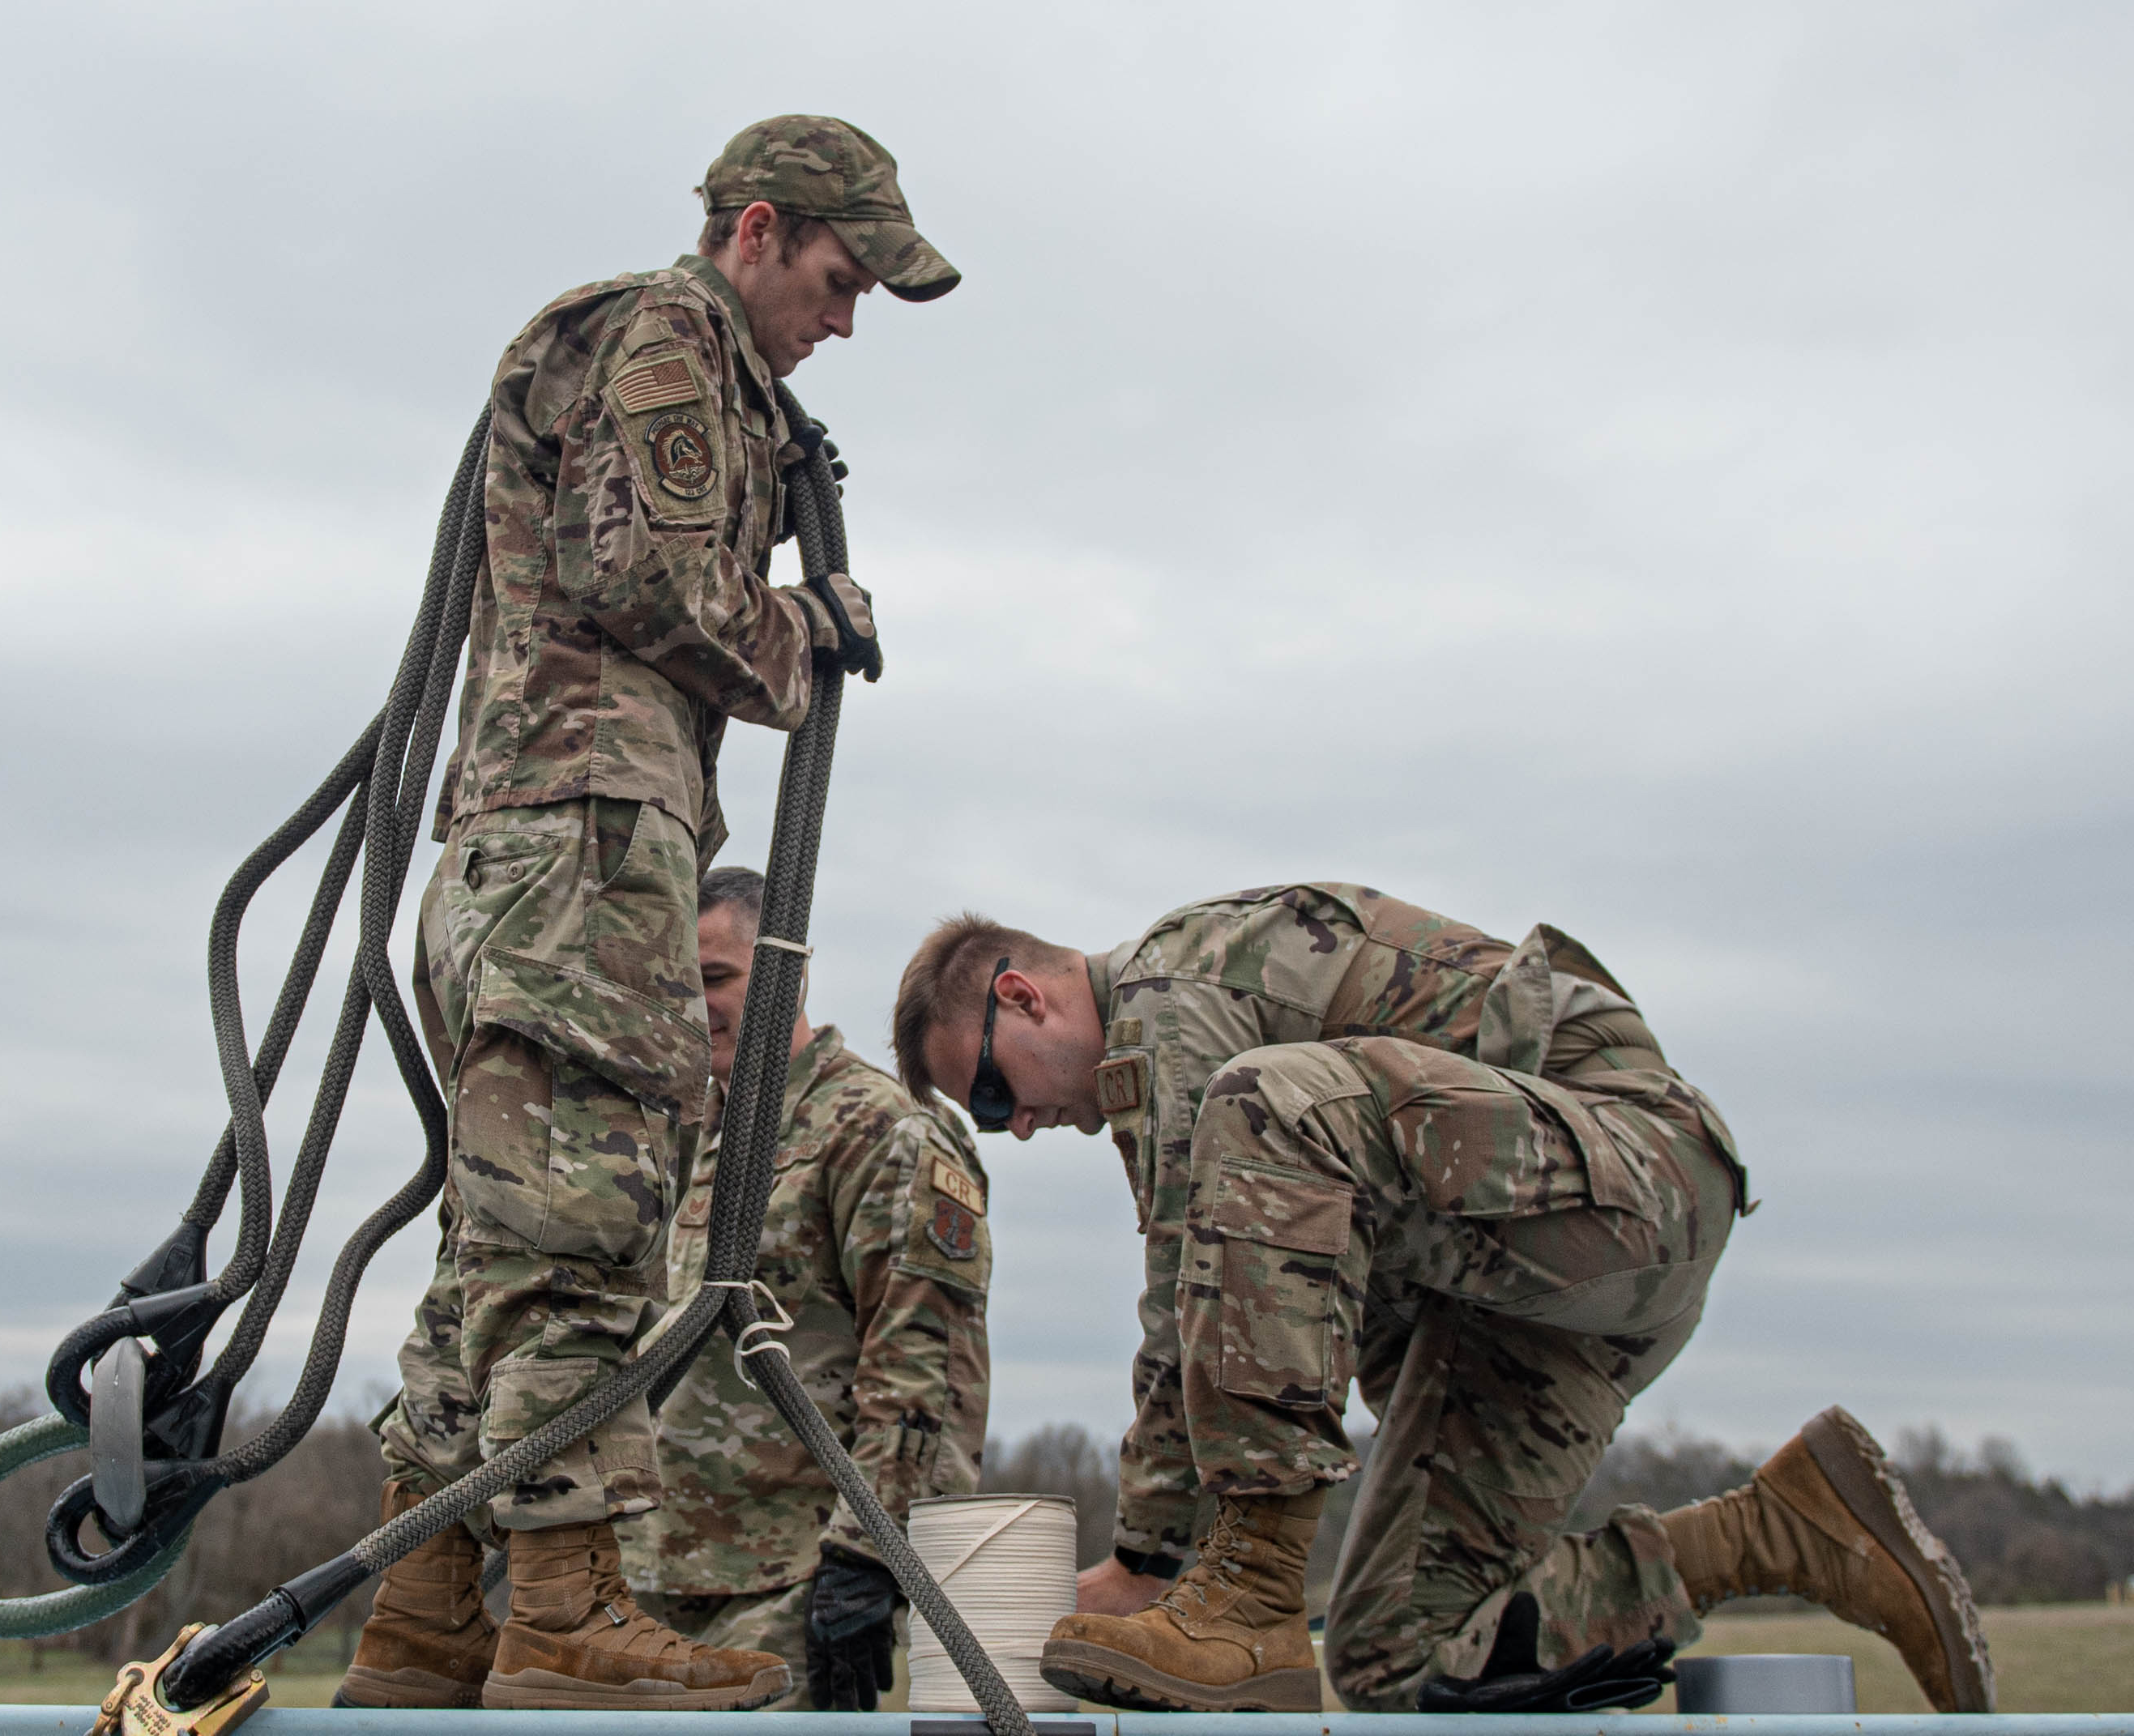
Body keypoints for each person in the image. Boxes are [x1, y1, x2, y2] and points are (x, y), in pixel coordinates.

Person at [338, 116, 958, 1715]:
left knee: (495, 1247)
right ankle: (563, 1606)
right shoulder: (673, 335)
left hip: (526, 845)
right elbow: (649, 579)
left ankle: (423, 1605)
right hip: (590, 846)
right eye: (837, 281)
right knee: (586, 1233)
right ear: (756, 231)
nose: (844, 322)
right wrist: (805, 622)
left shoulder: (652, 353)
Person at [891, 883, 1994, 1715]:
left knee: (1264, 1107)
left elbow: (1185, 1295)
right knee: (1398, 1655)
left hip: (1635, 1177)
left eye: (991, 1092)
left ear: (1023, 995)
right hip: (1526, 1289)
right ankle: (1783, 1530)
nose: (1016, 1126)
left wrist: (1148, 1562)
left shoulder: (1171, 998)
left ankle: (1255, 1591)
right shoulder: (1178, 1060)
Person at [621, 867, 993, 1711]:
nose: (692, 1005)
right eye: (674, 983)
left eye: (715, 978)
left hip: (791, 1586)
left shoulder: (879, 1130)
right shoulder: (676, 1139)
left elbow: (926, 1372)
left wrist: (870, 1558)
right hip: (645, 1581)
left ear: (789, 974)